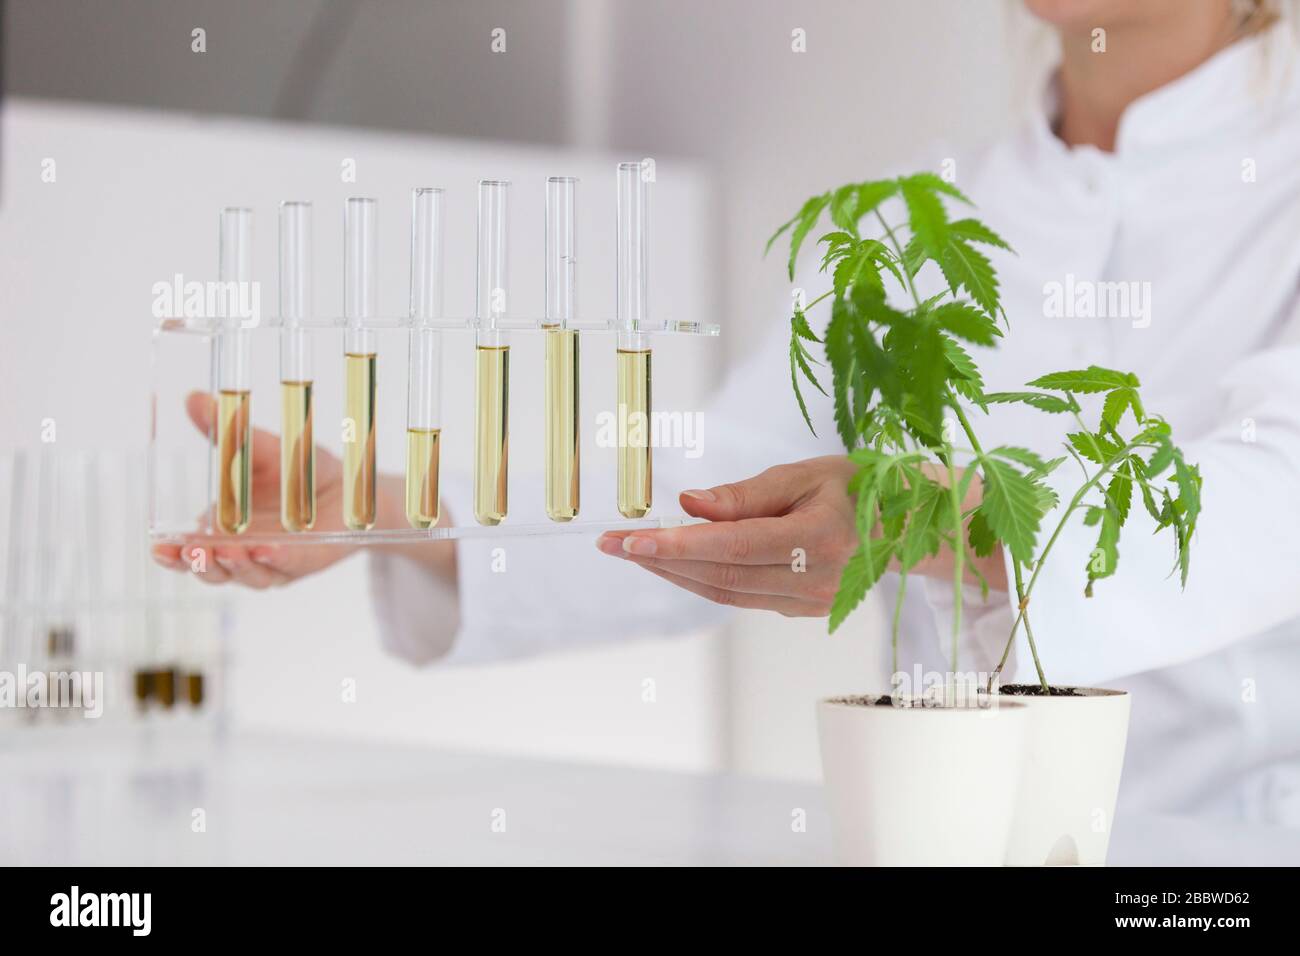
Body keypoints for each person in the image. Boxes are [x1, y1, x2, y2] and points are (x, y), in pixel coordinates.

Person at [154, 0, 1300, 825]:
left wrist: (929, 515)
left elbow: (1274, 493)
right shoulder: (919, 209)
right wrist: (391, 508)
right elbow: (729, 478)